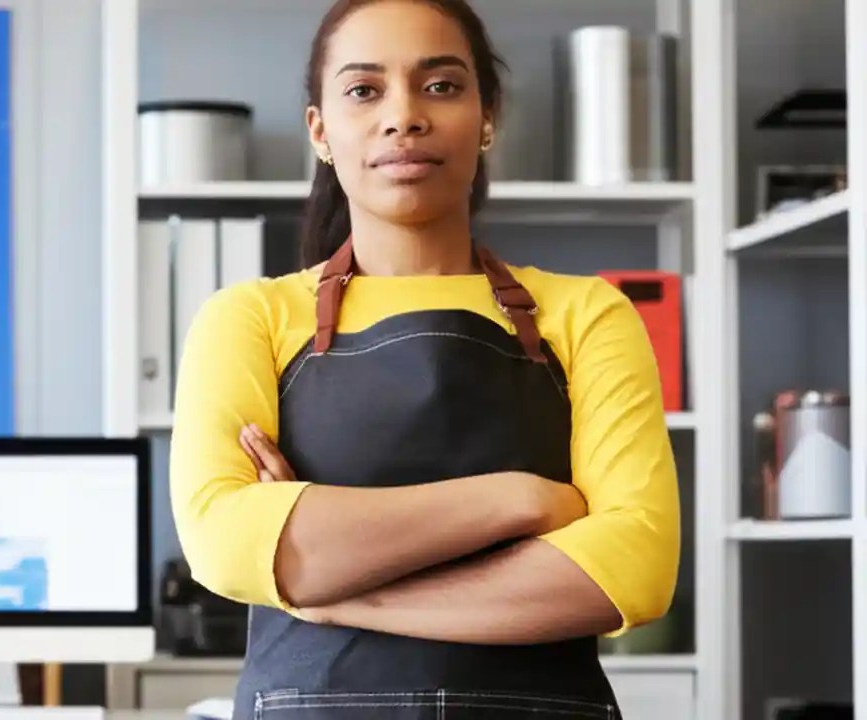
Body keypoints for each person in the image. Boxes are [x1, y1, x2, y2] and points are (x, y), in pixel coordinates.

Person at [168, 0, 681, 717]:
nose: (403, 115)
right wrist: (524, 500)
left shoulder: (588, 313)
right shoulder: (248, 318)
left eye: (440, 86)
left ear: (487, 117)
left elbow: (632, 571)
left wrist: (334, 586)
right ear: (320, 130)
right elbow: (226, 545)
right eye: (363, 90)